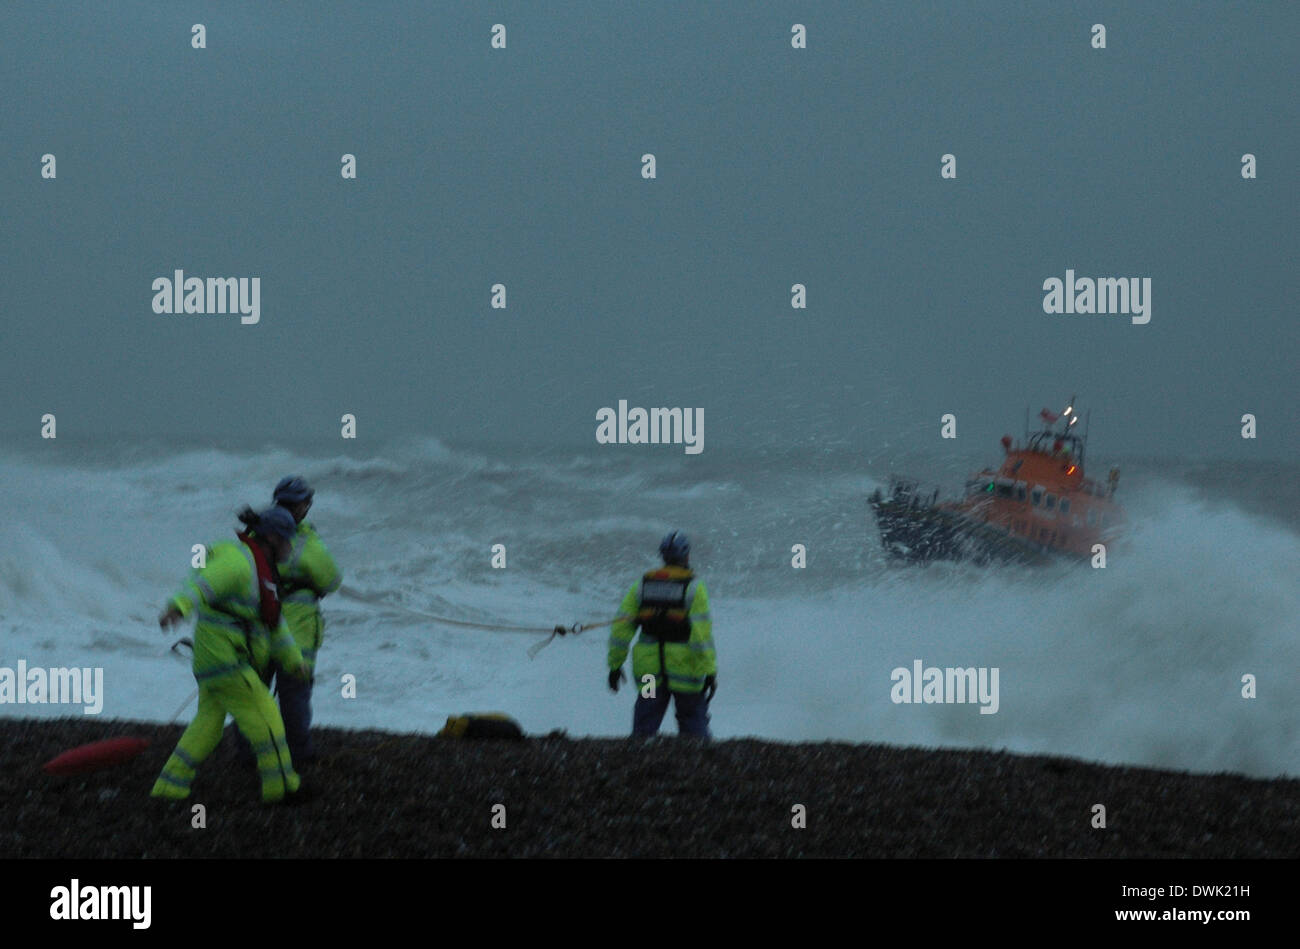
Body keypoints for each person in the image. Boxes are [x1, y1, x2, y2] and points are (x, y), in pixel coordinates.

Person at [152, 506, 309, 804]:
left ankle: (169, 785)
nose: (292, 548)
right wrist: (178, 608)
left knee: (208, 726)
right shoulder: (238, 563)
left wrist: (294, 661)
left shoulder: (261, 572)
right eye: (289, 540)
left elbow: (275, 626)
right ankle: (282, 787)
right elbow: (202, 586)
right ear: (273, 538)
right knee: (266, 716)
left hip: (214, 662)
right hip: (226, 660)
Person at [607, 531, 716, 737]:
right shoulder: (694, 587)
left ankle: (639, 761)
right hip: (686, 670)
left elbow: (620, 629)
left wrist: (615, 665)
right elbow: (701, 636)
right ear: (686, 555)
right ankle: (697, 765)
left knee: (646, 718)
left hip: (649, 672)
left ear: (663, 556)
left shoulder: (642, 585)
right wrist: (709, 671)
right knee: (693, 721)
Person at [264, 475, 341, 762]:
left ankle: (250, 752)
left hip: (258, 626)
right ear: (302, 506)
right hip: (297, 630)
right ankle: (298, 753)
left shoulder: (258, 533)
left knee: (254, 695)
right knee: (294, 696)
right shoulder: (304, 539)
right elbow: (331, 579)